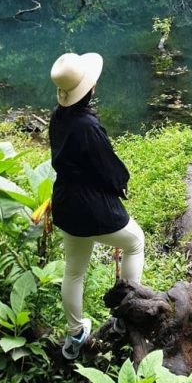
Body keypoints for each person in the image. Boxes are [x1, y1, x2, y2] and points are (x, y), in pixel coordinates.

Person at [48, 51, 145, 360]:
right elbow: (110, 170)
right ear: (87, 89)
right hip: (93, 207)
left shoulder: (58, 117)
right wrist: (121, 184)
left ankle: (75, 333)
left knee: (74, 271)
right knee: (135, 243)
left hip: (66, 203)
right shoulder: (88, 125)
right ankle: (125, 314)